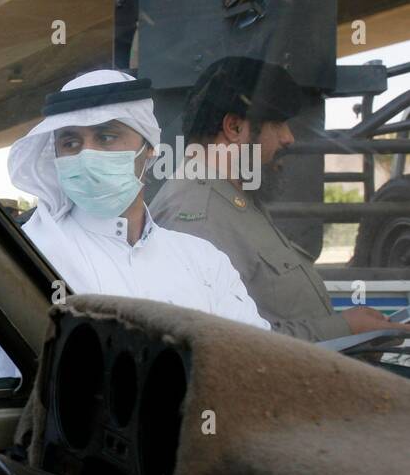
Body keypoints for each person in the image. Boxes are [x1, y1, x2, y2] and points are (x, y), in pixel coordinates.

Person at [150, 56, 410, 340]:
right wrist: (346, 328)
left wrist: (351, 327)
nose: (289, 138)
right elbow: (218, 345)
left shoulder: (235, 196)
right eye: (278, 124)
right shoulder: (196, 216)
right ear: (234, 128)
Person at [8, 70, 269, 328]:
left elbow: (252, 359)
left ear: (150, 148)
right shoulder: (33, 254)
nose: (87, 155)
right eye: (71, 142)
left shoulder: (204, 262)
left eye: (106, 137)